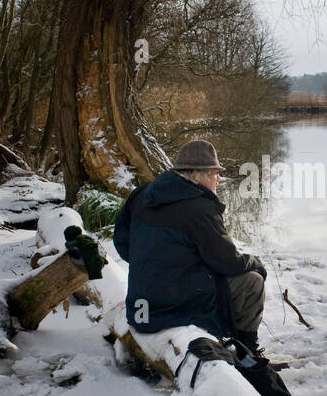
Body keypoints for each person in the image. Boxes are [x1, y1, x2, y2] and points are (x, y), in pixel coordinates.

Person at [113, 139, 273, 370]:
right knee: (252, 282)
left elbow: (123, 244)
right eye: (214, 173)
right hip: (170, 308)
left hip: (141, 305)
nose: (218, 178)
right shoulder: (199, 208)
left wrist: (156, 264)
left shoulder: (142, 194)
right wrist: (256, 263)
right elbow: (227, 261)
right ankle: (247, 354)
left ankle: (236, 347)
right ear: (197, 175)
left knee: (208, 275)